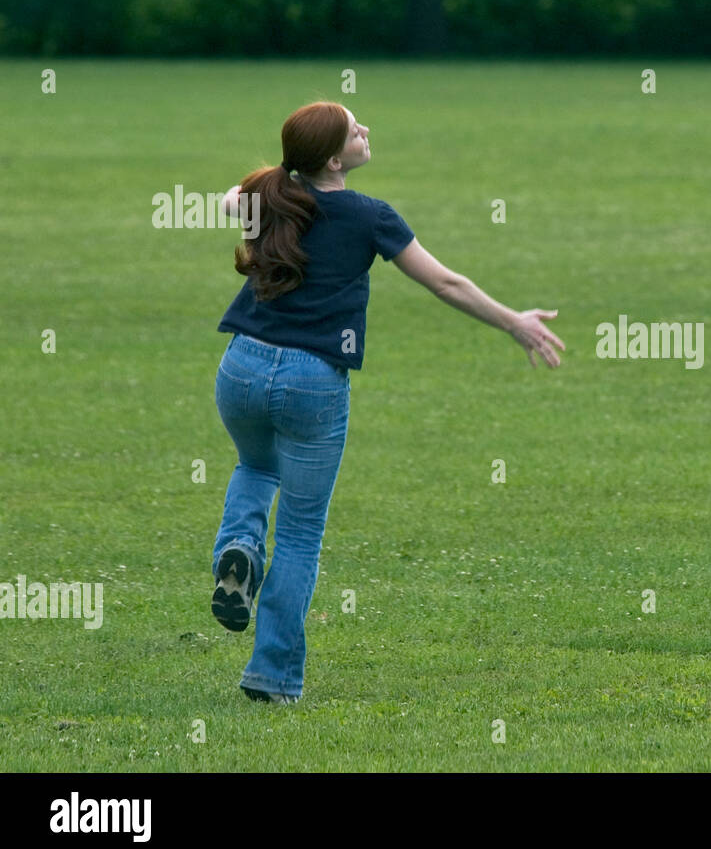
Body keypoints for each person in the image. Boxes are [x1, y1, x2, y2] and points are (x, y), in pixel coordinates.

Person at [210, 101, 565, 703]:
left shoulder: (269, 197)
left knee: (254, 466)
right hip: (312, 380)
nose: (365, 131)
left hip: (241, 366)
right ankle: (270, 677)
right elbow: (445, 282)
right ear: (333, 157)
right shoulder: (372, 217)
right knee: (298, 534)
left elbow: (226, 201)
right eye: (355, 129)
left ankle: (238, 549)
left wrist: (280, 179)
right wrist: (513, 322)